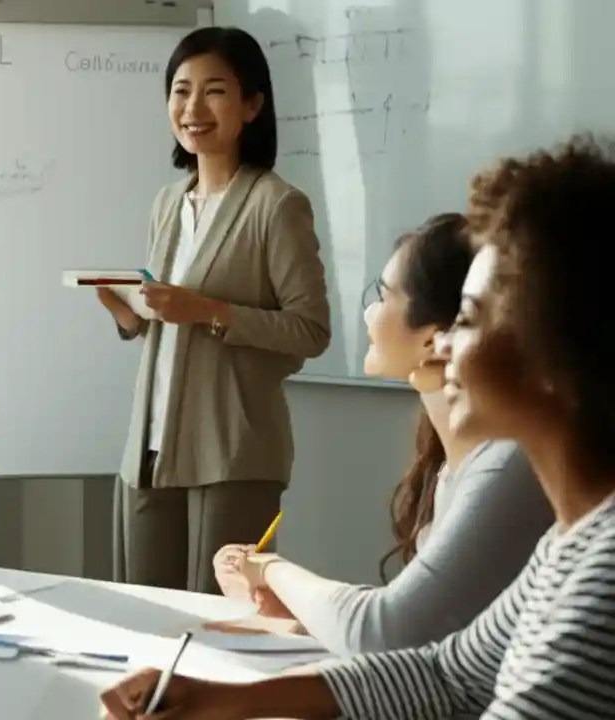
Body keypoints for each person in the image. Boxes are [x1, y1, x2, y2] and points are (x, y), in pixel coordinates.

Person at [101, 135, 615, 719]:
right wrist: (225, 701)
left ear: (555, 354)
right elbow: (446, 673)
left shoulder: (604, 578)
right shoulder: (569, 547)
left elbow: (405, 644)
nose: (443, 343)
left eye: (468, 320)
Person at [210, 214, 551, 655]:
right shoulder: (451, 467)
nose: (370, 311)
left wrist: (270, 569)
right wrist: (298, 610)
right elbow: (416, 627)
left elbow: (387, 631)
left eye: (384, 294)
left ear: (435, 339)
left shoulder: (507, 463)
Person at [98, 26, 330, 593]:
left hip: (234, 452)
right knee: (147, 619)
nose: (193, 107)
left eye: (215, 91)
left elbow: (310, 329)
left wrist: (208, 309)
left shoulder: (277, 205)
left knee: (219, 622)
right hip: (151, 449)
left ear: (252, 105)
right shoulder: (167, 203)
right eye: (180, 90)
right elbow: (169, 320)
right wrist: (128, 313)